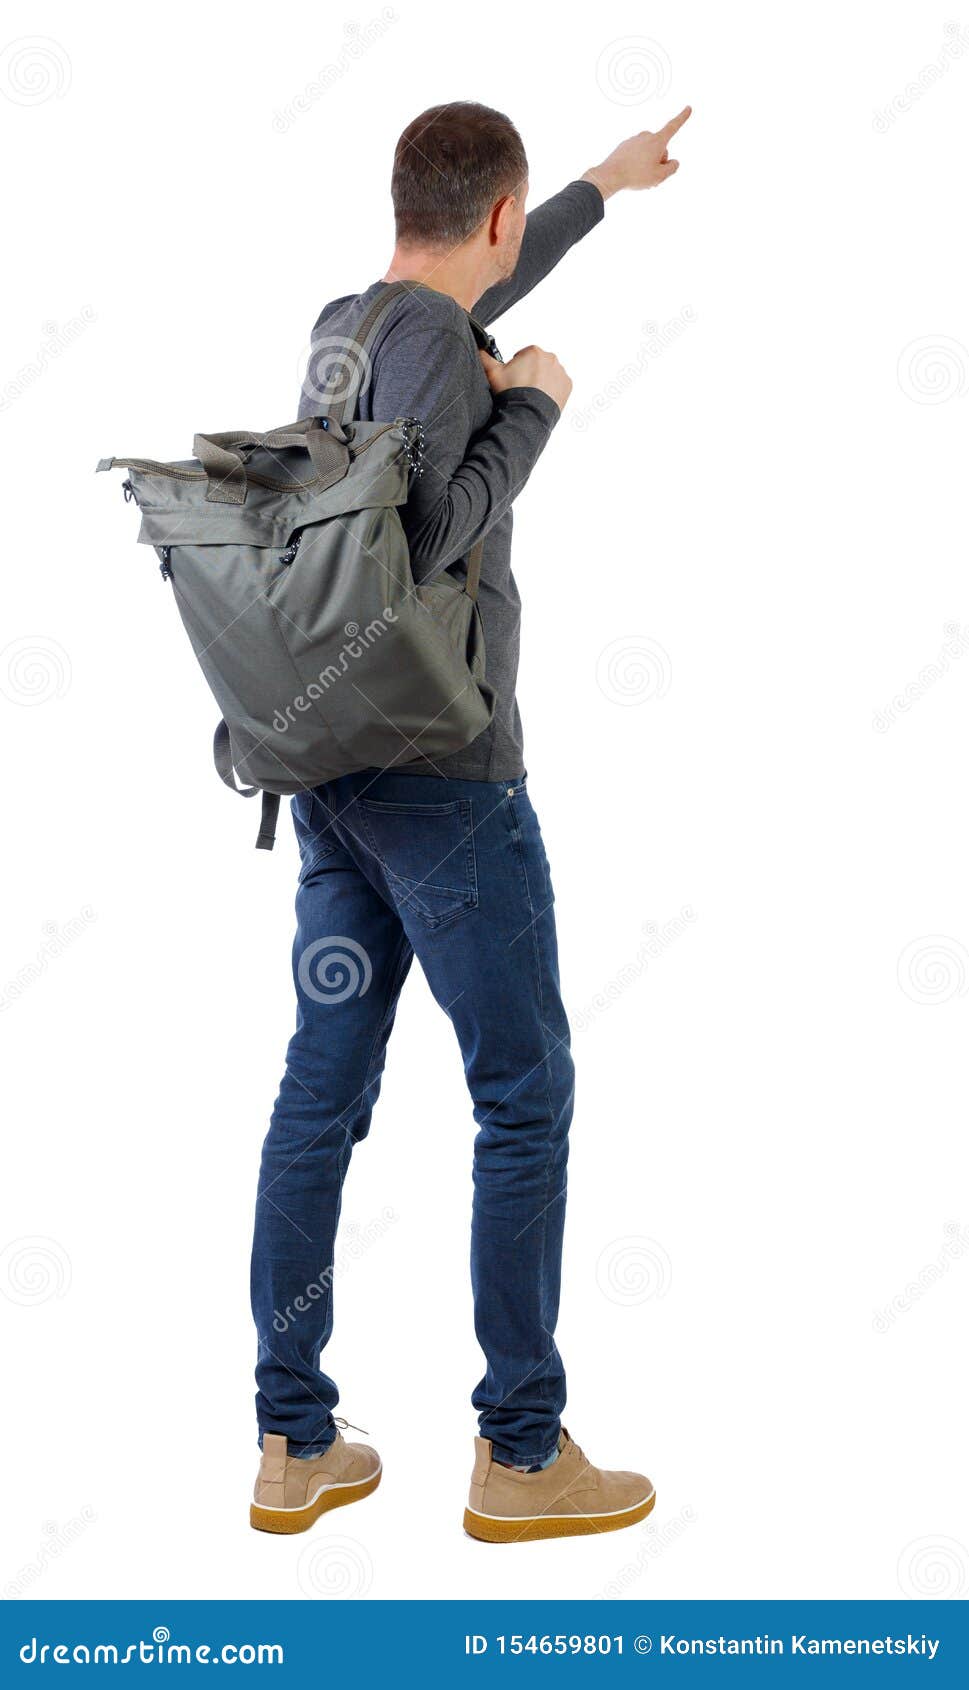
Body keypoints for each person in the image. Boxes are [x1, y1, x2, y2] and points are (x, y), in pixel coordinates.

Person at [250, 99, 691, 1542]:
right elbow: (438, 534)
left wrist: (600, 189)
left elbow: (465, 308)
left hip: (331, 764)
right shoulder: (451, 350)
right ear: (489, 222)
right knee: (523, 1093)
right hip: (445, 775)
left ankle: (292, 1440)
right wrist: (539, 405)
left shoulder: (350, 320)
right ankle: (520, 1449)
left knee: (324, 1091)